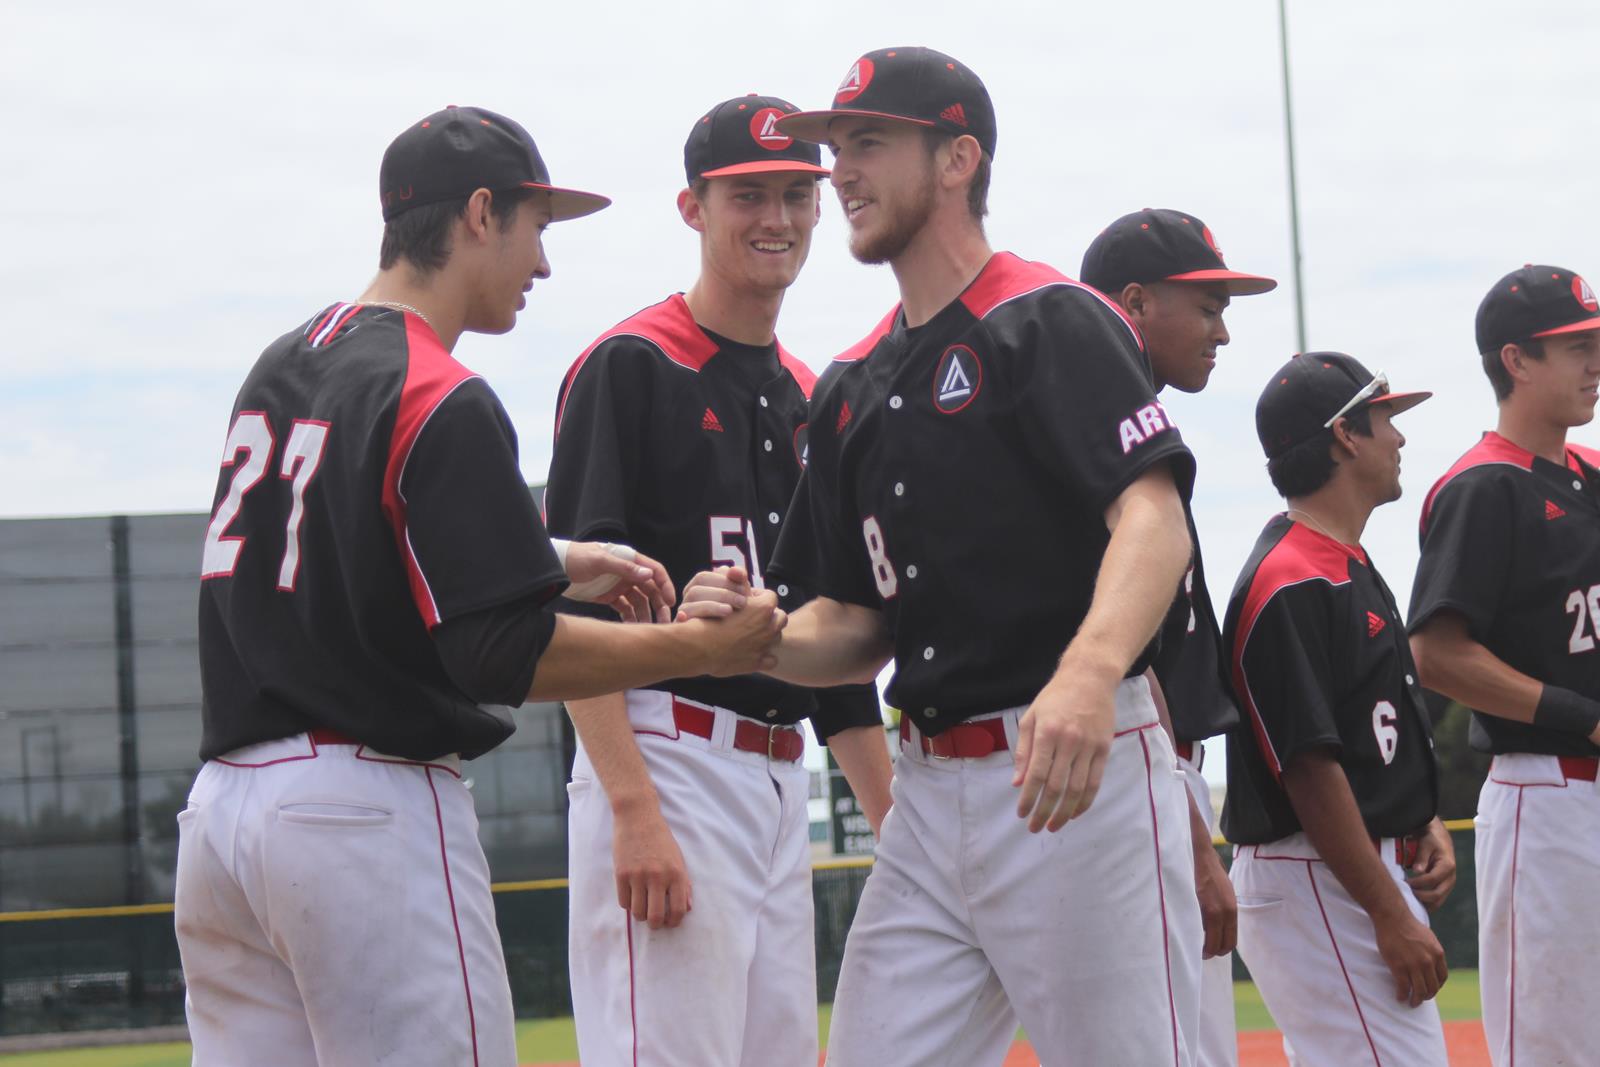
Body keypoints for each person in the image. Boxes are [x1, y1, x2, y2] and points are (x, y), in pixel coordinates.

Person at [174, 105, 784, 1067]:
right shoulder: (439, 389)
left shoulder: (288, 361)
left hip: (221, 818)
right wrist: (697, 648)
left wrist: (550, 557)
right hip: (362, 809)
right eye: (537, 227)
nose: (543, 263)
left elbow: (351, 549)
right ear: (480, 214)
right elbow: (503, 653)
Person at [681, 47, 1202, 1065]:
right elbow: (854, 621)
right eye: (837, 146)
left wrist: (1090, 671)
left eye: (868, 142)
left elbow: (1154, 518)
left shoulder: (1049, 317)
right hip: (925, 791)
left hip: (1072, 775)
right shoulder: (850, 385)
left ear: (958, 158)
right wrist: (759, 637)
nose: (840, 170)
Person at [544, 93, 894, 1067]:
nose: (776, 218)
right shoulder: (630, 365)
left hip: (780, 775)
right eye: (748, 195)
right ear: (692, 207)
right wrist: (631, 806)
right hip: (667, 751)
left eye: (795, 193)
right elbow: (570, 610)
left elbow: (839, 652)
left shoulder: (813, 396)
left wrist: (898, 828)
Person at [1081, 206, 1278, 1067]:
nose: (1222, 332)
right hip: (1134, 778)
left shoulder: (1140, 440)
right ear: (1133, 303)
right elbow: (1130, 663)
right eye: (1206, 307)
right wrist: (1191, 837)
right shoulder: (1089, 442)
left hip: (1158, 776)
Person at [1221, 351, 1453, 1065]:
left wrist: (1420, 818)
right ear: (1345, 434)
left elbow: (1364, 731)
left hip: (1337, 871)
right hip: (1316, 873)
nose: (1400, 436)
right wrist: (1388, 911)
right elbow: (1309, 768)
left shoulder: (1337, 560)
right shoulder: (1290, 578)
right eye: (1385, 419)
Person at [1408, 264, 1600, 1066]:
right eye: (1577, 346)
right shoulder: (1483, 485)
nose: (1595, 362)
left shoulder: (1591, 472)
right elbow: (1434, 654)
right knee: (1554, 1046)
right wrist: (1582, 716)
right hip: (1547, 796)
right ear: (1516, 359)